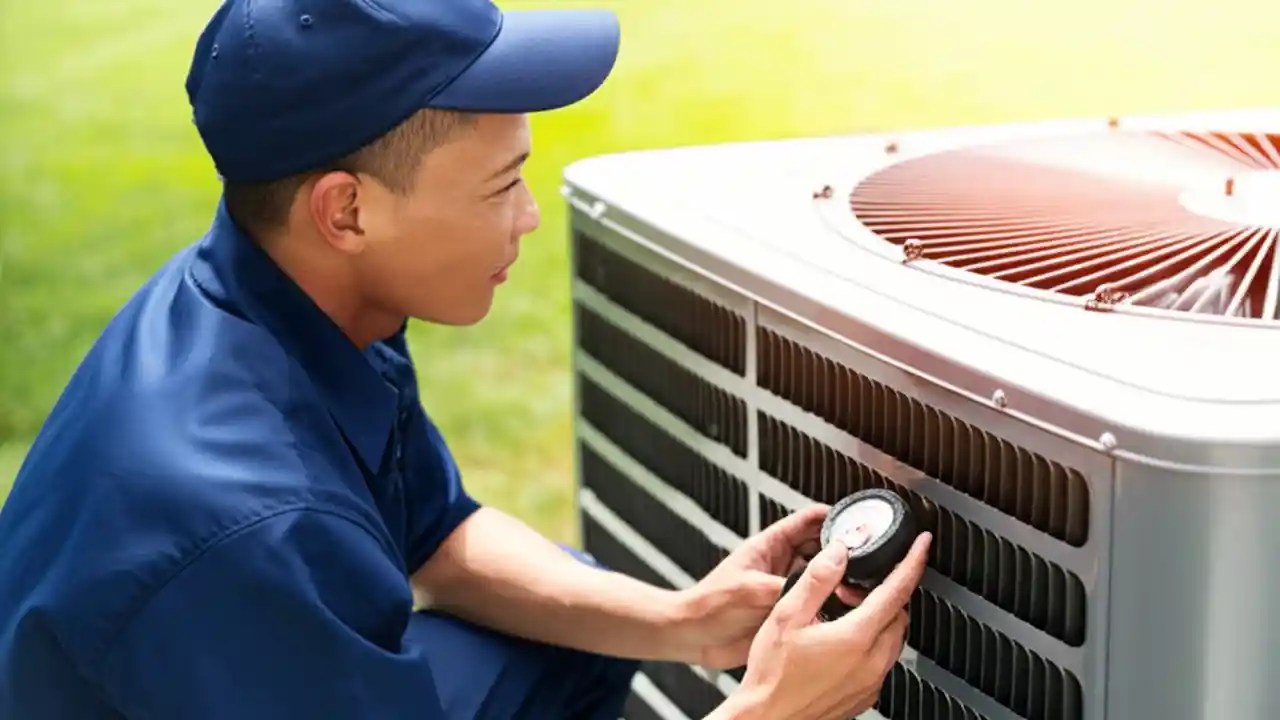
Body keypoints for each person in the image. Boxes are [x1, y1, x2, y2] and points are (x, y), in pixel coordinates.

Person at [0, 1, 932, 718]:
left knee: (571, 632)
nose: (529, 215)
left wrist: (681, 623)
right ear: (348, 212)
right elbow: (278, 555)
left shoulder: (288, 298)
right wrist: (770, 709)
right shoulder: (250, 533)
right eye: (500, 185)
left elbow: (434, 540)